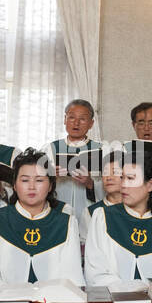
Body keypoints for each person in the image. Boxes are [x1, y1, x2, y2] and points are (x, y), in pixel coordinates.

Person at [0, 148, 84, 286]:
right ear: (14, 185)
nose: (31, 187)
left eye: (39, 180)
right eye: (25, 180)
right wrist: (15, 299)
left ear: (50, 186)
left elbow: (73, 278)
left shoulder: (67, 224)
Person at [84, 153, 152, 285]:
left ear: (150, 185)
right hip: (111, 302)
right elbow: (95, 273)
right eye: (122, 178)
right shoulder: (103, 217)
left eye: (130, 178)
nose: (123, 185)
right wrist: (129, 291)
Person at [44, 99, 103, 233]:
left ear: (91, 123)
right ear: (65, 119)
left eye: (82, 119)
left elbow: (109, 188)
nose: (76, 123)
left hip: (88, 209)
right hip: (57, 209)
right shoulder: (50, 149)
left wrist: (90, 183)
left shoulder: (101, 150)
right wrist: (52, 176)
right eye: (71, 117)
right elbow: (37, 182)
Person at [86, 151, 125, 217]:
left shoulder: (138, 209)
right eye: (105, 172)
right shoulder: (91, 212)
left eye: (115, 172)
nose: (109, 177)